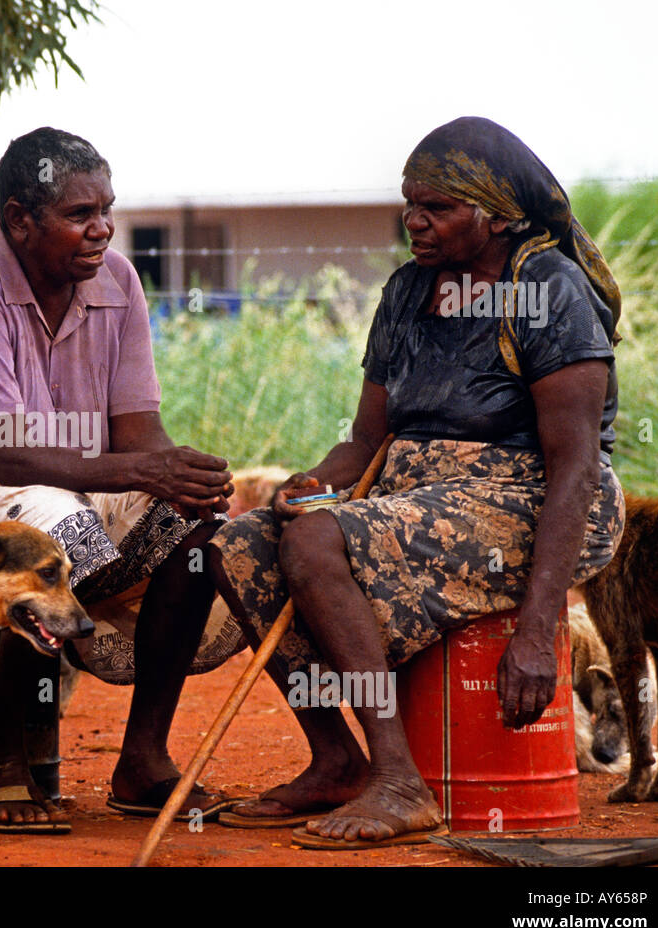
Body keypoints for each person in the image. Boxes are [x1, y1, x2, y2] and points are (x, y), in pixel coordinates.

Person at [208, 116, 626, 847]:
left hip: (530, 499)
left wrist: (536, 628)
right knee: (242, 543)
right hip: (415, 493)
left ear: (495, 213)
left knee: (311, 546)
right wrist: (313, 483)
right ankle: (336, 758)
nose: (415, 222)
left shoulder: (548, 289)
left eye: (437, 208)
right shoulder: (408, 292)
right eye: (410, 204)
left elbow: (576, 467)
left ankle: (400, 780)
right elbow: (367, 441)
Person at [0, 127, 242, 833]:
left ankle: (143, 761)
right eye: (79, 215)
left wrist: (177, 476)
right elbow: (9, 454)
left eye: (107, 209)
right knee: (46, 528)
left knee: (190, 528)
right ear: (19, 219)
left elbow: (136, 436)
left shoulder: (119, 281)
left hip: (66, 481)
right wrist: (138, 469)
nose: (102, 229)